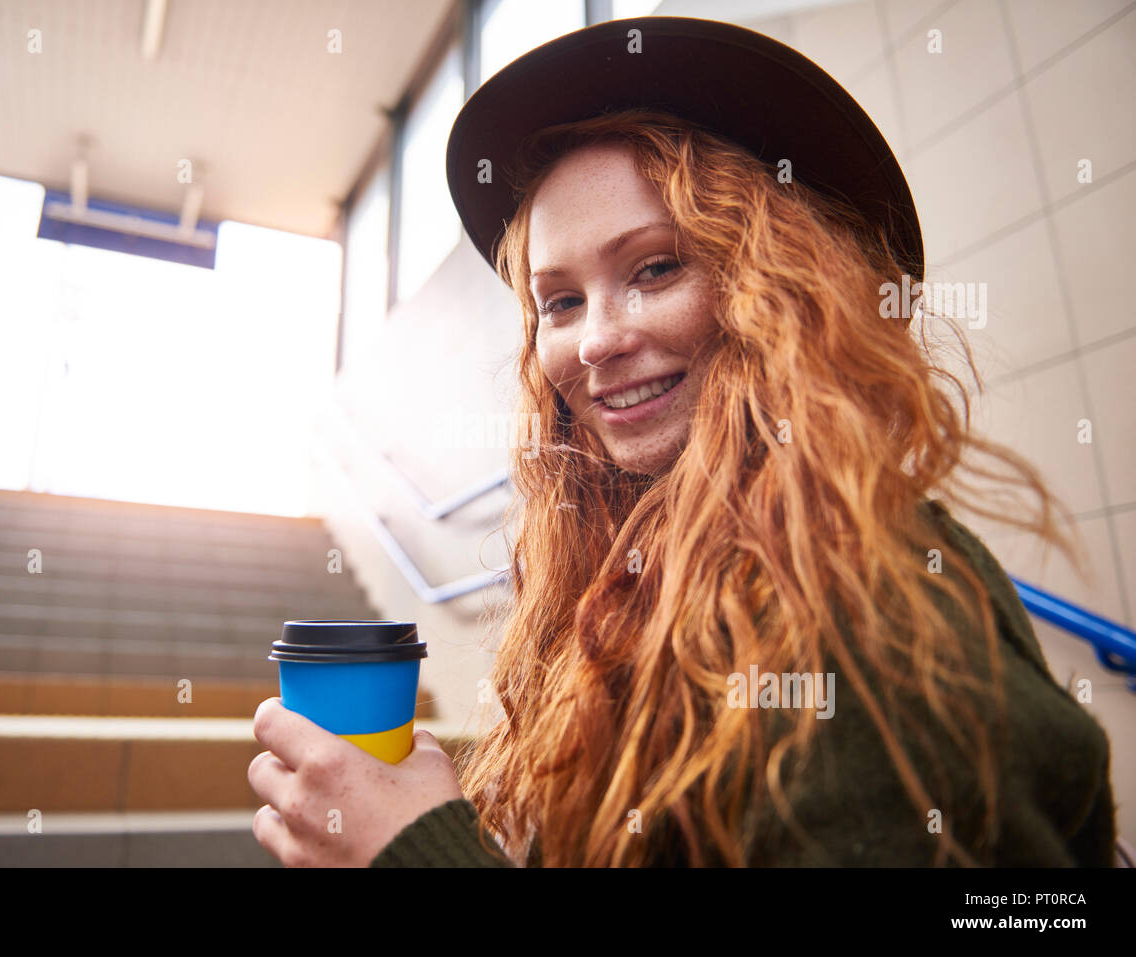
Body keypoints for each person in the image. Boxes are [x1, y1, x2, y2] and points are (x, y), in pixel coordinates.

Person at [247, 17, 1116, 867]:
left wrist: (414, 852)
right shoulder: (637, 588)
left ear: (784, 292)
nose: (593, 341)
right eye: (560, 301)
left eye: (655, 267)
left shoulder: (868, 619)